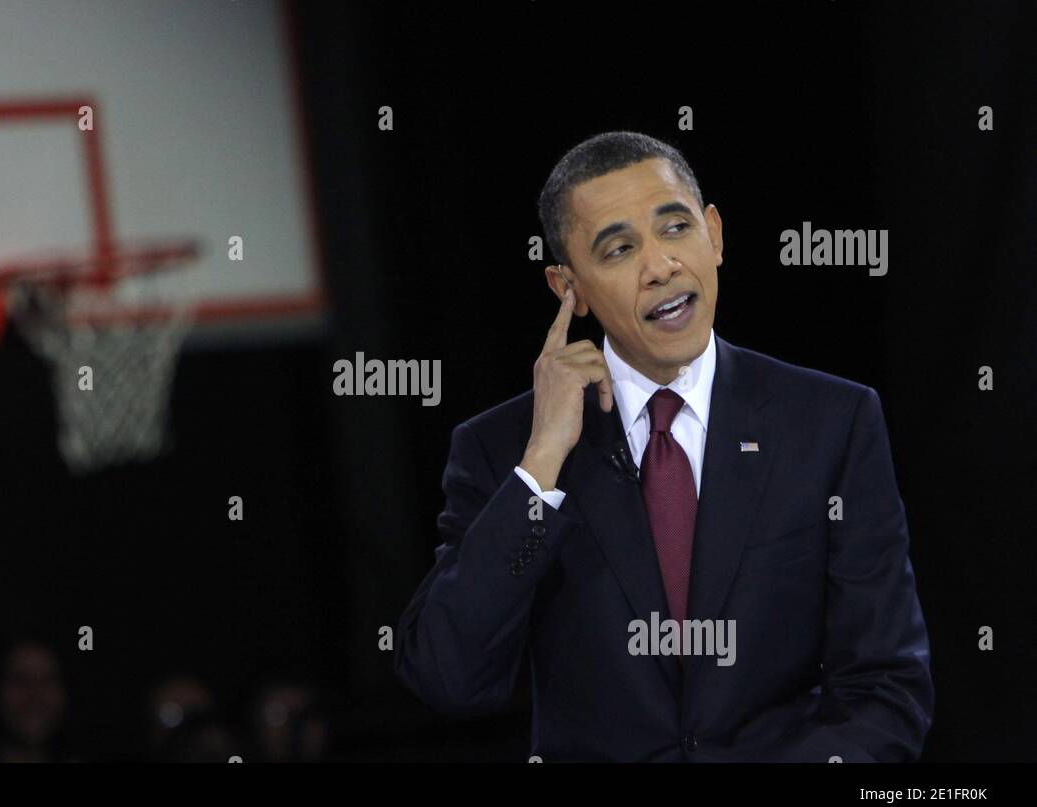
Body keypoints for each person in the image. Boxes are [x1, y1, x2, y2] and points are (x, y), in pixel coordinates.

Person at [394, 131, 933, 762]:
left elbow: (886, 686)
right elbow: (447, 678)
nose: (660, 267)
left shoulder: (831, 423)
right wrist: (541, 465)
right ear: (570, 288)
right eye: (620, 249)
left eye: (675, 229)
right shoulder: (503, 449)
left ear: (716, 235)